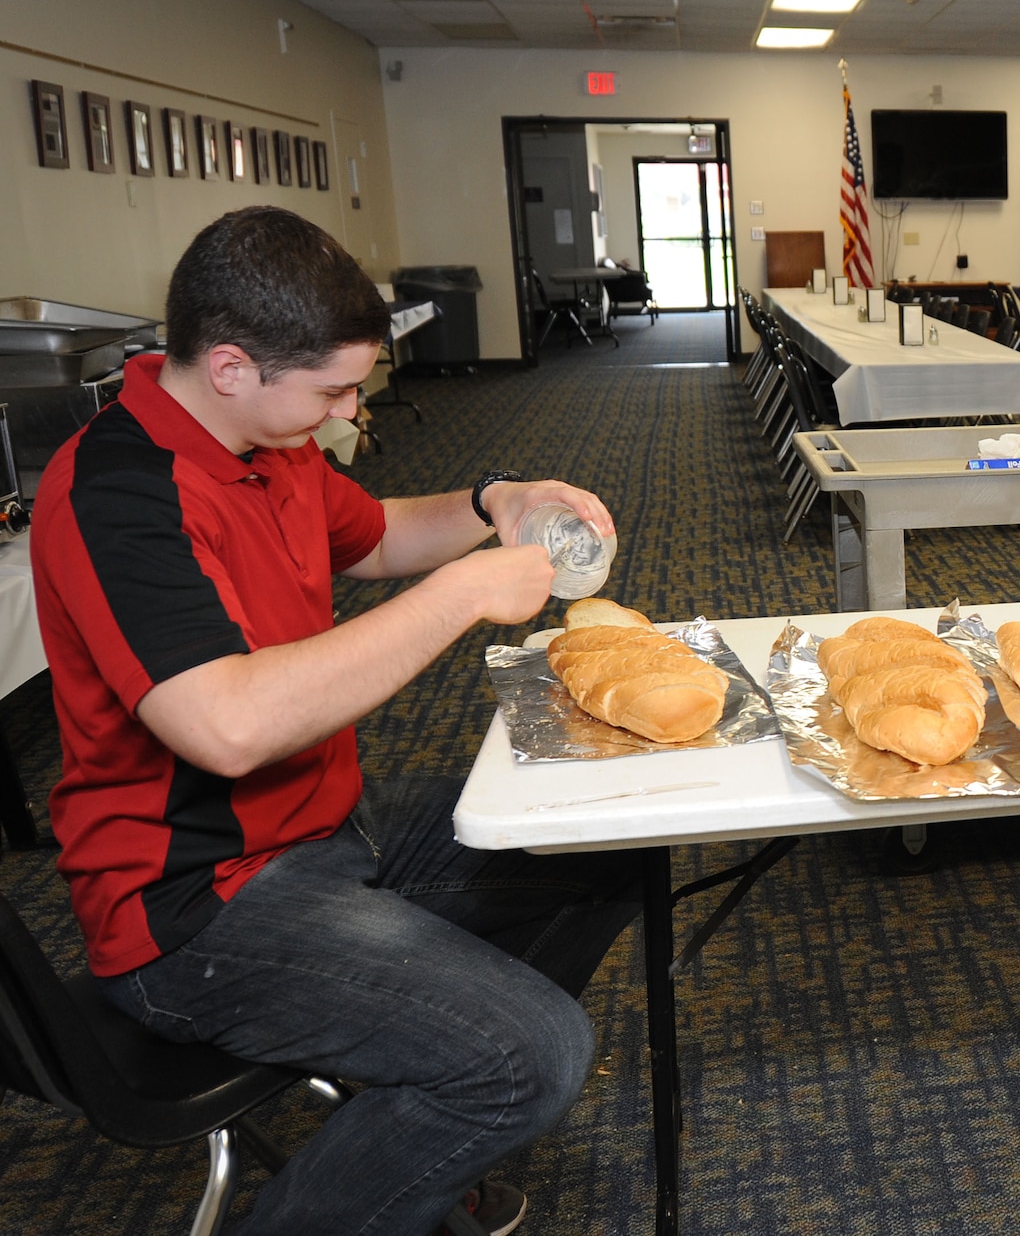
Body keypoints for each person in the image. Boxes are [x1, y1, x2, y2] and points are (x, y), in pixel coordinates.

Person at [31, 206, 639, 1234]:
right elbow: (224, 725)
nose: (350, 408)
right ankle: (457, 1097)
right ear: (230, 365)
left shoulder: (270, 438)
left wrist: (499, 496)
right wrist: (461, 597)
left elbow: (375, 538)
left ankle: (434, 1101)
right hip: (194, 908)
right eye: (333, 389)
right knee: (533, 1056)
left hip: (324, 831)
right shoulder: (117, 495)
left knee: (613, 845)